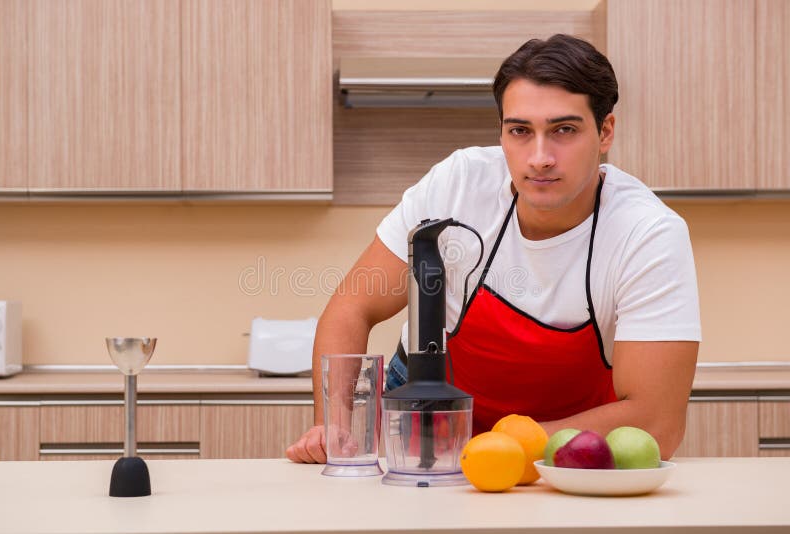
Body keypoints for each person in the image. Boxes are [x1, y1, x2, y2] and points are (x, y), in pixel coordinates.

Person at [286, 34, 701, 464]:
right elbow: (352, 307)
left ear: (605, 132)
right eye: (520, 130)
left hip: (568, 442)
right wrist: (332, 426)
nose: (539, 157)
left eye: (564, 130)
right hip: (424, 417)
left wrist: (495, 448)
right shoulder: (458, 184)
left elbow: (656, 423)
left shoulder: (647, 233)